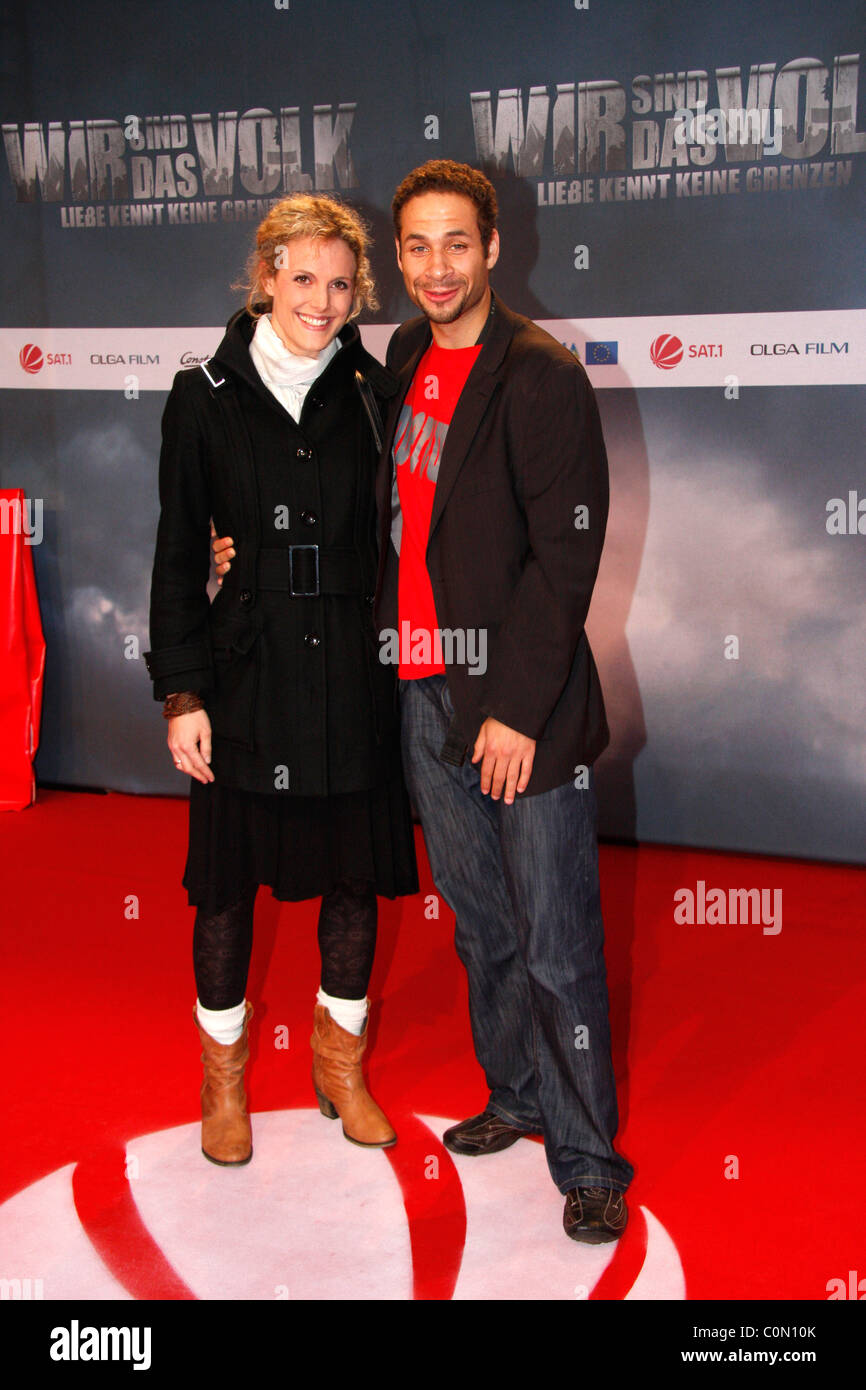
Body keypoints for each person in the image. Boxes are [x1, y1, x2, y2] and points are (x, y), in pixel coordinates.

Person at [215, 160, 633, 1243]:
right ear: (394, 261)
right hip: (414, 687)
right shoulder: (396, 357)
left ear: (493, 249)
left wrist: (517, 707)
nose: (436, 267)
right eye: (415, 247)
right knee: (482, 922)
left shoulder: (538, 375)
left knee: (555, 939)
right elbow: (325, 472)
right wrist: (238, 543)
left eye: (457, 243)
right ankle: (518, 1093)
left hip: (512, 704)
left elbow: (564, 562)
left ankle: (587, 1155)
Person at [145, 194, 418, 1168]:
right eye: (303, 277)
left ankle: (337, 1063)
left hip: (348, 662)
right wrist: (182, 692)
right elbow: (180, 553)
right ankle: (222, 1079)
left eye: (341, 284)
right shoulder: (204, 393)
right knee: (224, 891)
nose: (322, 298)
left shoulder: (372, 389)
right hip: (245, 667)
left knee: (354, 880)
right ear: (264, 277)